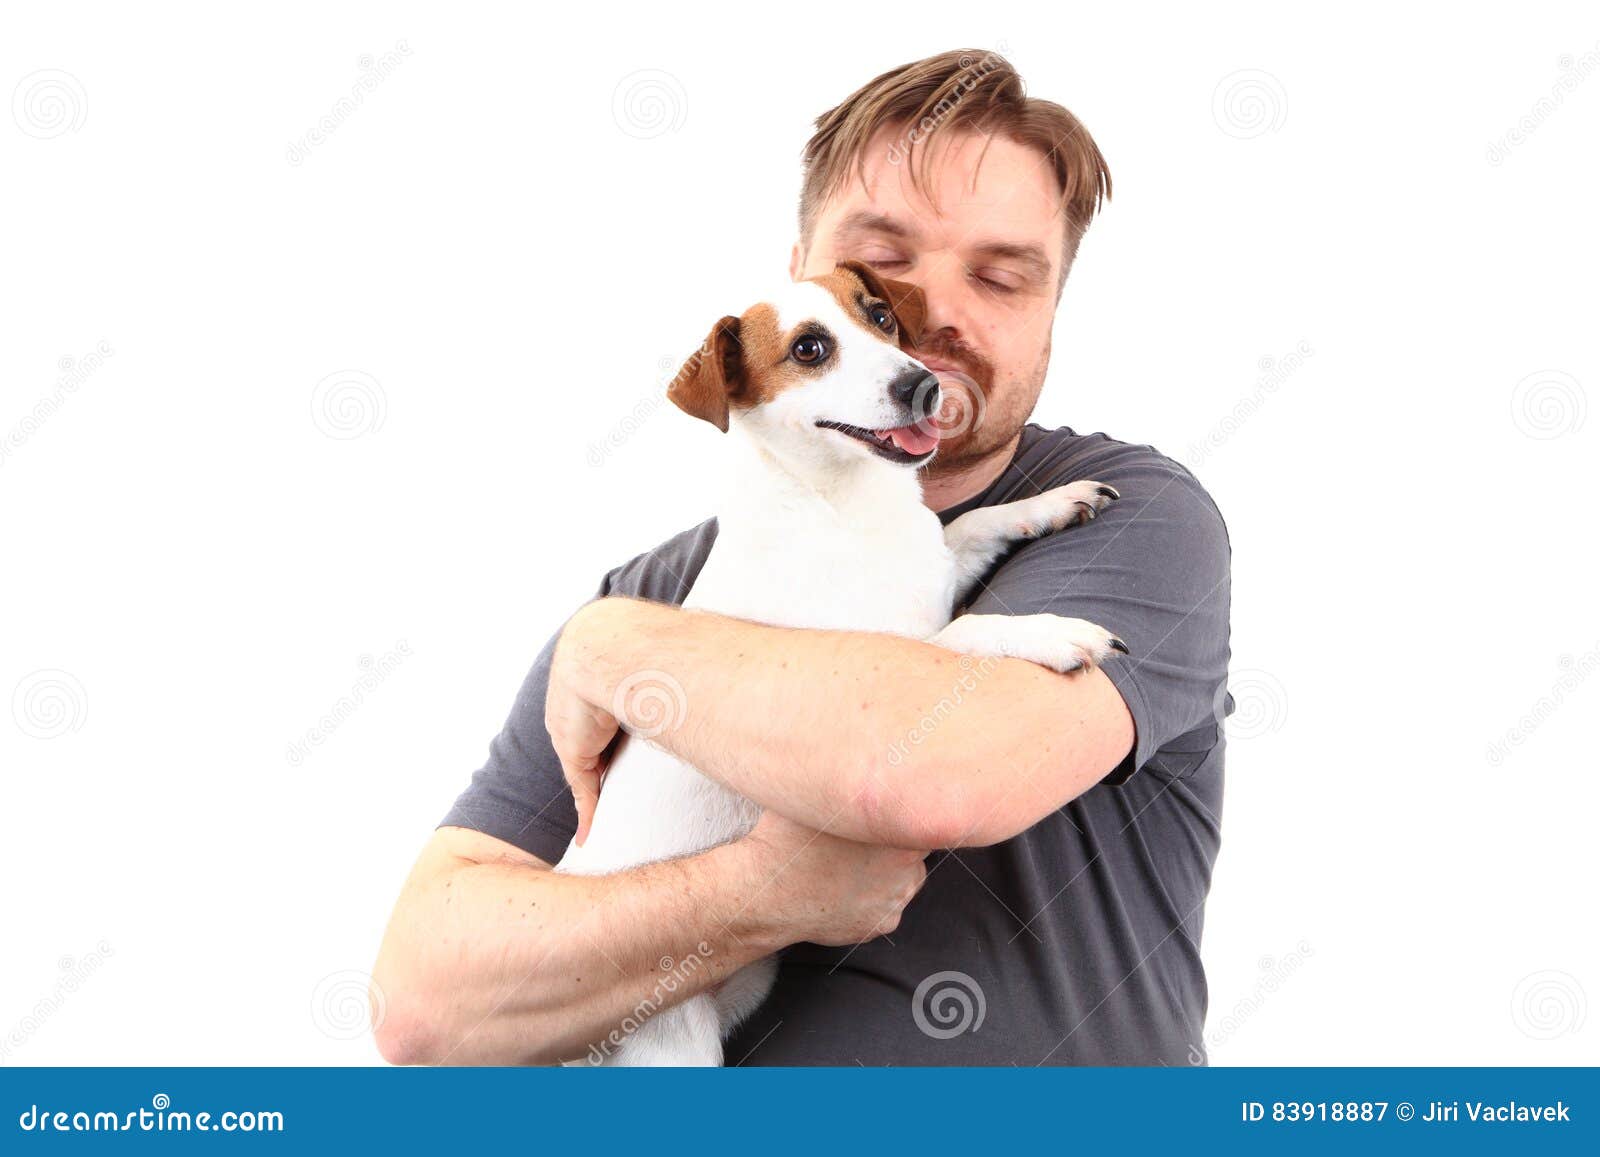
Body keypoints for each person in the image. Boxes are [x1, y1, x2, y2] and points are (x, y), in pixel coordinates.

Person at [372, 48, 1232, 1067]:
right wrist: (756, 891)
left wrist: (606, 650)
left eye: (1000, 274)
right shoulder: (645, 595)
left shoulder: (1135, 515)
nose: (924, 321)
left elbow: (929, 771)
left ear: (1054, 310)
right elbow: (424, 1005)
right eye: (881, 269)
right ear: (801, 276)